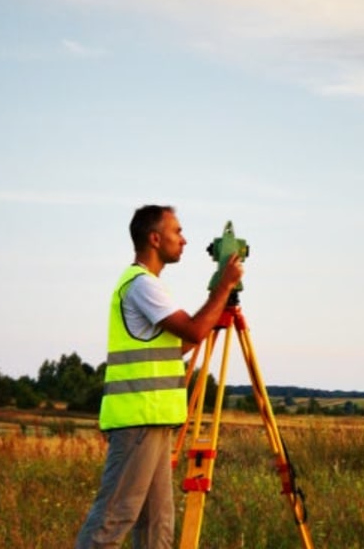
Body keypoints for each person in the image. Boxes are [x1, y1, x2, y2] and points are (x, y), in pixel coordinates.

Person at [77, 204, 241, 549]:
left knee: (157, 524)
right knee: (114, 517)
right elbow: (195, 331)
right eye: (176, 232)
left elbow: (177, 345)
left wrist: (219, 299)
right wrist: (224, 287)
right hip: (138, 419)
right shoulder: (141, 285)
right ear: (154, 238)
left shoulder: (145, 286)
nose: (184, 240)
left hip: (153, 420)